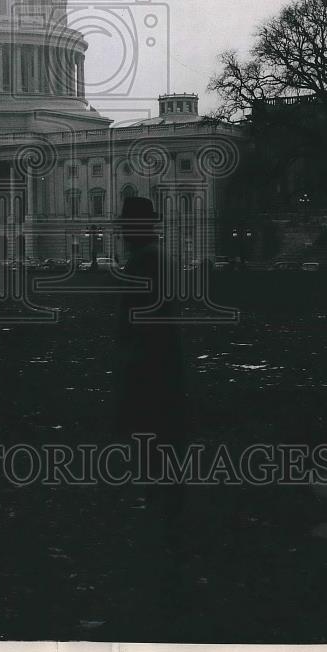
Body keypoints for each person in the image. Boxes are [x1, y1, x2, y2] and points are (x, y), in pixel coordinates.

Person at [113, 196, 187, 520]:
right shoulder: (158, 257)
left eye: (127, 227)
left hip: (150, 354)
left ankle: (152, 493)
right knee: (161, 426)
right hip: (163, 351)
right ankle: (163, 492)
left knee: (147, 425)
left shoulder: (145, 260)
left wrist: (131, 350)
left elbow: (139, 312)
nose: (124, 233)